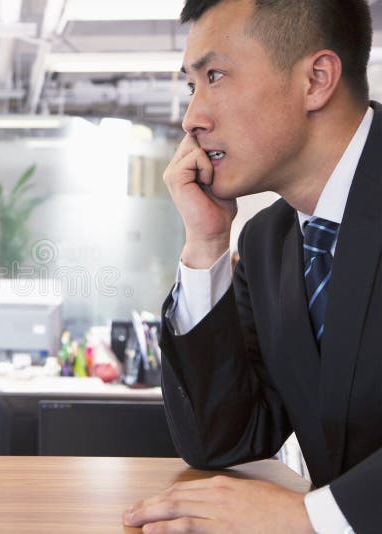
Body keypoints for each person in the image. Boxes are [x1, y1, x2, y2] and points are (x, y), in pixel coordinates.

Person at [122, 0, 381, 532]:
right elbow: (222, 438)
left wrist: (313, 517)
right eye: (192, 85)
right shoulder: (270, 243)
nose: (192, 118)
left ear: (316, 80)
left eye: (214, 75)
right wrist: (206, 243)